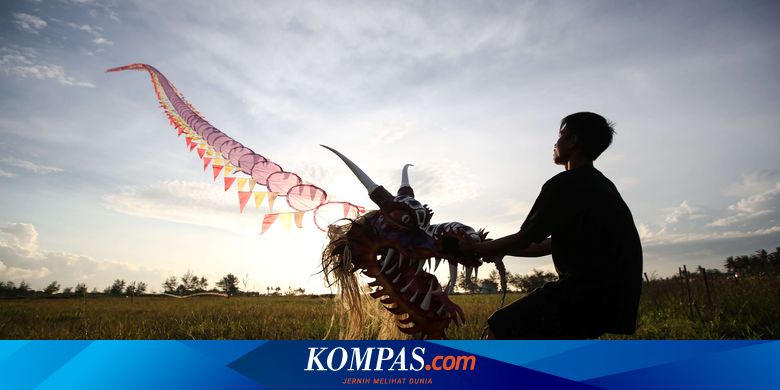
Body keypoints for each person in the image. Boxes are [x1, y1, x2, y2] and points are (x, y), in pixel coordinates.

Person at [460, 112, 643, 339]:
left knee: (499, 329)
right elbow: (545, 245)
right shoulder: (601, 185)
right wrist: (496, 249)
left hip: (585, 293)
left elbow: (524, 238)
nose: (555, 143)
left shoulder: (566, 184)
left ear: (573, 141)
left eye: (561, 136)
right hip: (614, 299)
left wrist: (474, 249)